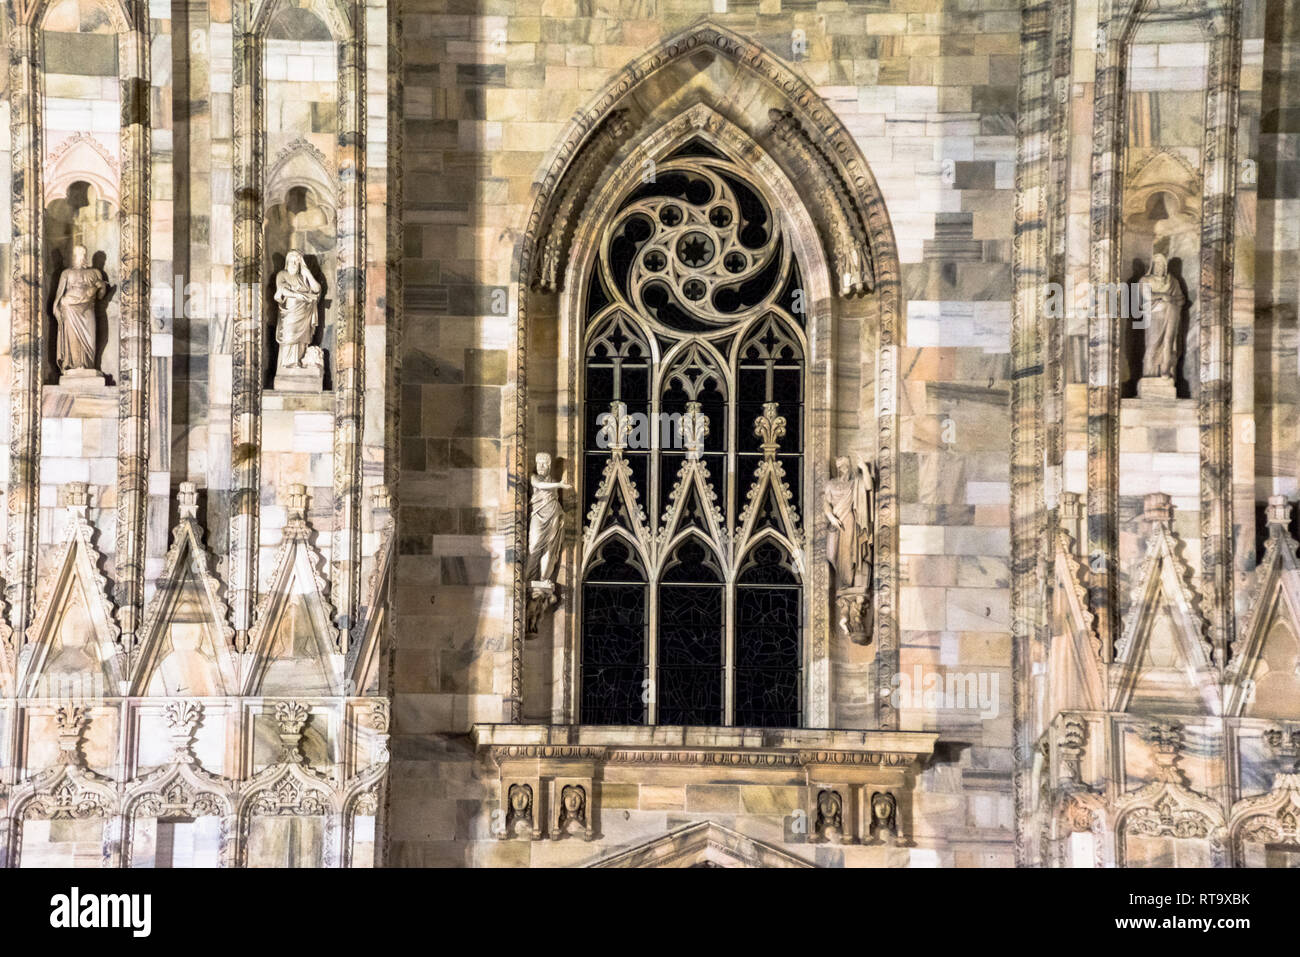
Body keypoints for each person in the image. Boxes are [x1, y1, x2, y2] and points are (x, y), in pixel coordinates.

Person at [52, 244, 106, 373]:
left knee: (90, 337)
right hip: (70, 308)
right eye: (78, 254)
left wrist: (102, 286)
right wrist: (57, 307)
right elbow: (59, 294)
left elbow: (100, 296)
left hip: (88, 308)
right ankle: (75, 365)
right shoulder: (66, 273)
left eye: (83, 254)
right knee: (73, 337)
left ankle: (88, 364)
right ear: (74, 256)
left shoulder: (95, 272)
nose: (81, 257)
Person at [824, 455, 874, 591]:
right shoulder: (831, 484)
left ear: (849, 466)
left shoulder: (855, 482)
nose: (842, 469)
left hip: (849, 519)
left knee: (847, 551)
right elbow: (826, 504)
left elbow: (868, 486)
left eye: (845, 466)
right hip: (835, 521)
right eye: (840, 467)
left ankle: (848, 582)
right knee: (831, 554)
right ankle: (844, 579)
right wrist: (831, 517)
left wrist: (864, 468)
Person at [526, 453, 571, 584]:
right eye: (538, 462)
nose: (540, 466)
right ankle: (530, 578)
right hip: (538, 515)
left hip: (553, 514)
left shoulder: (551, 480)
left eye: (544, 463)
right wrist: (559, 485)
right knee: (534, 545)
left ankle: (543, 578)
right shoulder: (533, 477)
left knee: (550, 547)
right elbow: (539, 485)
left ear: (549, 466)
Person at [273, 249, 321, 368]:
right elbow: (282, 290)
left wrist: (308, 273)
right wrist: (298, 295)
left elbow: (316, 289)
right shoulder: (282, 274)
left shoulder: (303, 277)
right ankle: (288, 363)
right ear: (287, 262)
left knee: (303, 339)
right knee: (290, 334)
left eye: (297, 262)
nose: (294, 264)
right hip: (291, 311)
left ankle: (298, 361)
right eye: (292, 261)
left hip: (305, 312)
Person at [1139, 253, 1184, 379]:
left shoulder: (1172, 281)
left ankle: (1166, 371)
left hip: (1171, 314)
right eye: (1157, 264)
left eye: (1162, 264)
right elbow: (1144, 298)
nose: (1160, 267)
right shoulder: (1145, 280)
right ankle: (1149, 374)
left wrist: (1171, 301)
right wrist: (1161, 296)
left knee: (1168, 343)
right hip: (1154, 316)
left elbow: (1181, 299)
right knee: (1153, 345)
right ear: (1152, 266)